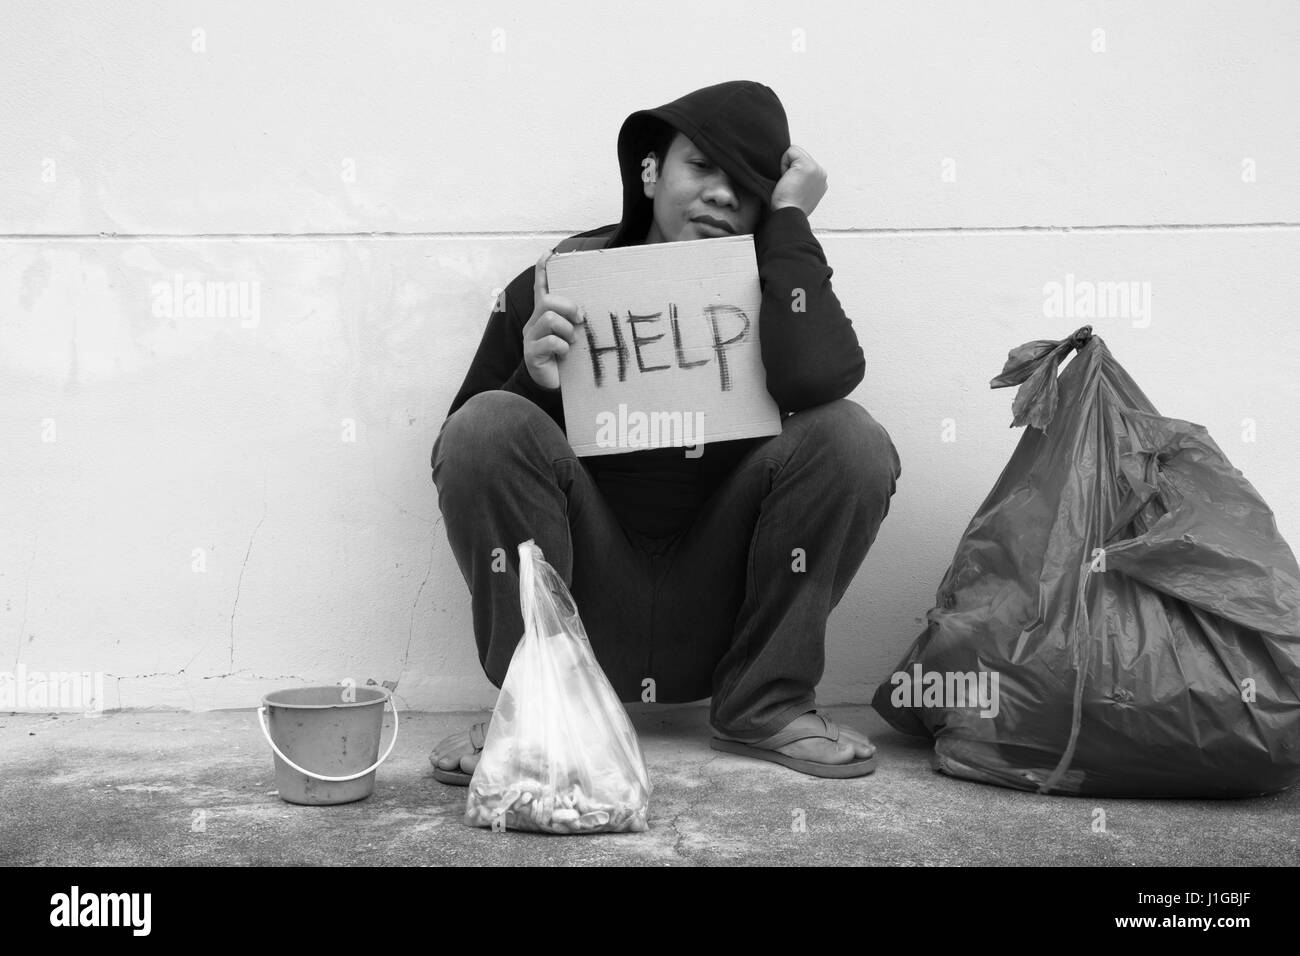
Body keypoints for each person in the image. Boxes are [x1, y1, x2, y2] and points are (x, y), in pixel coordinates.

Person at [429, 80, 901, 783]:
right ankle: (538, 710)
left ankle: (764, 703)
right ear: (650, 171)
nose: (719, 194)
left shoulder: (775, 293)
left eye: (744, 185)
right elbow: (459, 450)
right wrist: (531, 377)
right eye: (702, 167)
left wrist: (790, 227)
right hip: (585, 610)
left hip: (718, 611)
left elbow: (822, 382)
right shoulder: (558, 283)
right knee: (489, 423)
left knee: (851, 436)